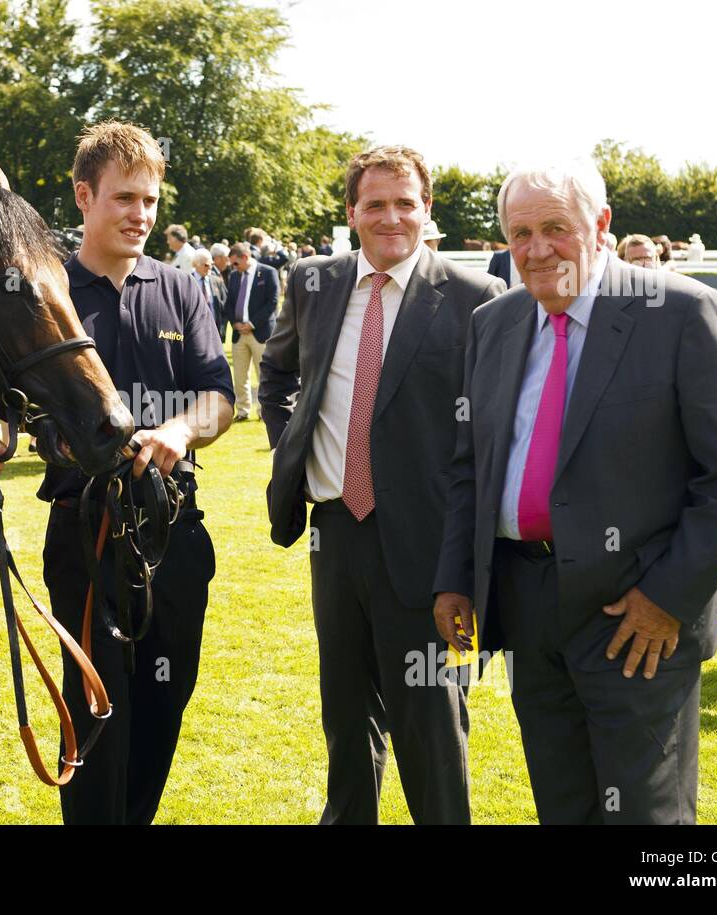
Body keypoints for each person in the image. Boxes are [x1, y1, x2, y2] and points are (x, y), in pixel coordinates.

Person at [432, 159, 717, 825]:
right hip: (528, 609)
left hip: (637, 618)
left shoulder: (680, 312)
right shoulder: (495, 322)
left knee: (647, 815)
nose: (536, 249)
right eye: (520, 232)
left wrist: (665, 600)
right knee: (564, 805)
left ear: (601, 225)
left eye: (556, 228)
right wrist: (455, 579)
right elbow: (471, 464)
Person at [0, 121, 234, 825]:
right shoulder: (43, 286)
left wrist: (178, 429)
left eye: (150, 200)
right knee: (96, 716)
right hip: (84, 536)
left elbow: (220, 395)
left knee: (164, 712)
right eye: (124, 198)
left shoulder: (182, 289)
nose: (141, 214)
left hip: (174, 532)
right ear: (84, 196)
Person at [261, 145, 505, 825]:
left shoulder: (474, 297)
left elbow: (488, 435)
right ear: (351, 212)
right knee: (344, 717)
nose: (391, 216)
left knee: (430, 728)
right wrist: (293, 443)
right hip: (334, 534)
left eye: (406, 203)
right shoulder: (312, 281)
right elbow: (277, 376)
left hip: (429, 552)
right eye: (376, 203)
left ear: (428, 211)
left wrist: (466, 560)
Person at [225, 241, 279, 420]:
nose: (233, 266)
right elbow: (229, 303)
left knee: (263, 375)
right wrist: (235, 323)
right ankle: (242, 411)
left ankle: (263, 411)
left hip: (260, 333)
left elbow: (272, 302)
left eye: (235, 262)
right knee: (240, 376)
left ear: (246, 257)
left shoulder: (268, 272)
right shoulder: (234, 276)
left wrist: (252, 324)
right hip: (239, 334)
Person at [193, 246, 228, 341]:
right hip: (194, 332)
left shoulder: (217, 281)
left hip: (215, 331)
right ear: (195, 264)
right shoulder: (187, 281)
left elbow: (226, 305)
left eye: (211, 264)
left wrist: (222, 328)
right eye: (206, 265)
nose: (210, 267)